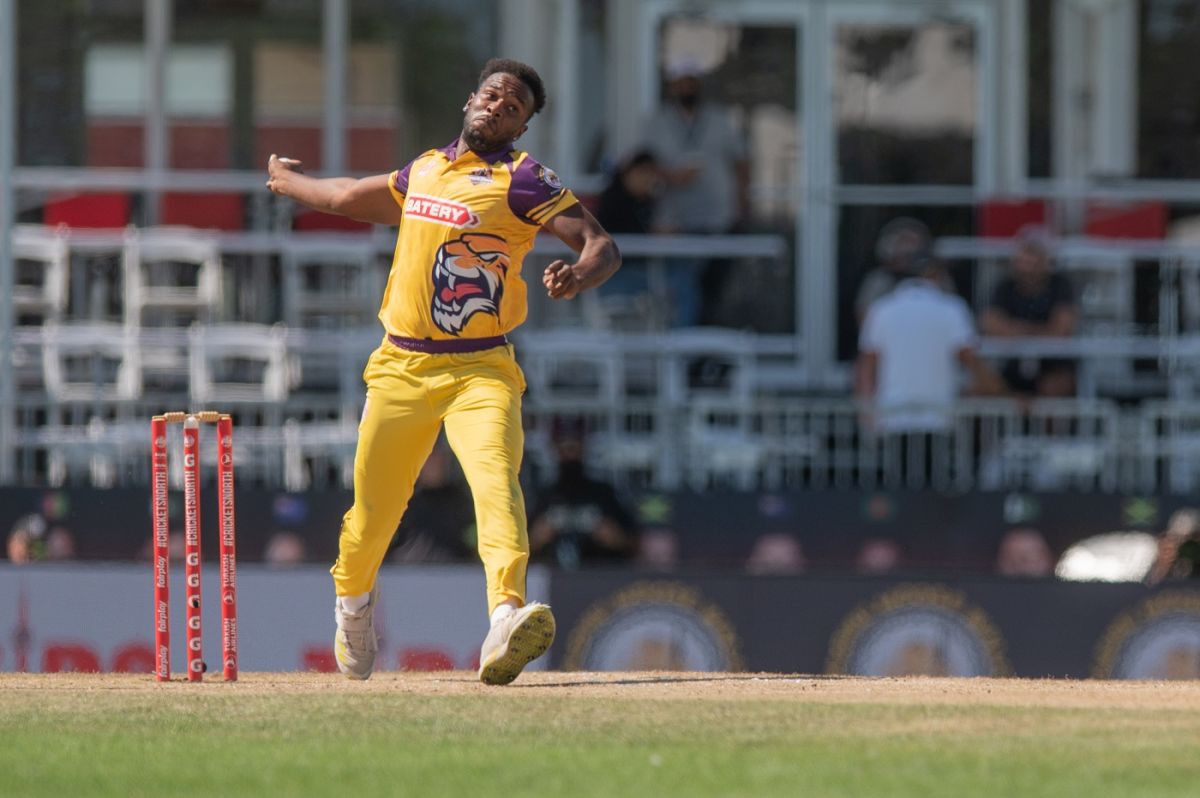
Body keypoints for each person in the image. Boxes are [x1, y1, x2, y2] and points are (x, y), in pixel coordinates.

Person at [266, 58, 621, 685]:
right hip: (401, 366)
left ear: (522, 126)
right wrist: (289, 184)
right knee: (371, 515)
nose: (499, 108)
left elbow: (602, 246)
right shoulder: (425, 169)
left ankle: (505, 618)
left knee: (495, 484)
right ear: (470, 99)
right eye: (493, 96)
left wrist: (577, 275)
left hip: (481, 368)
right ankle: (353, 605)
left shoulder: (524, 179)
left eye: (514, 107)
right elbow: (350, 197)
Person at [641, 57, 749, 327]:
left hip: (717, 217)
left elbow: (740, 162)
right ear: (671, 86)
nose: (686, 88)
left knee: (714, 290)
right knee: (680, 289)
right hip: (675, 221)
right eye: (681, 82)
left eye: (691, 82)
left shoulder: (719, 120)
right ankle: (681, 357)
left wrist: (741, 205)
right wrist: (671, 176)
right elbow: (641, 167)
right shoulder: (657, 123)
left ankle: (707, 360)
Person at [979, 226, 1078, 397]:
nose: (1029, 263)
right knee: (982, 389)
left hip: (1052, 365)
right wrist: (1038, 331)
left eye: (1036, 255)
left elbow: (1062, 329)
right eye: (1025, 254)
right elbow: (990, 324)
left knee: (1055, 389)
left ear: (1047, 259)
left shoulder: (1061, 285)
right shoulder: (1005, 285)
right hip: (1010, 364)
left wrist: (1017, 331)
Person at [528, 418, 638, 568]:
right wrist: (538, 537)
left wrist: (613, 537)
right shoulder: (542, 495)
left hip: (598, 576)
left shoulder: (603, 492)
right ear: (554, 448)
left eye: (575, 446)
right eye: (564, 446)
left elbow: (633, 543)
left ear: (585, 446)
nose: (570, 453)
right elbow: (517, 547)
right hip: (550, 577)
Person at [389, 439, 476, 563]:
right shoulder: (402, 499)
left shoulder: (461, 500)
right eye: (428, 457)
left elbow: (472, 539)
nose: (434, 463)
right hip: (406, 572)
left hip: (456, 573)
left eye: (438, 457)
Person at [854, 217, 934, 325]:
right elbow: (865, 319)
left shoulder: (933, 277)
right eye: (904, 241)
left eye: (913, 242)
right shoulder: (878, 280)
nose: (909, 249)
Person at [1146, 508, 1200, 584]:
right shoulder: (1165, 560)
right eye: (1177, 540)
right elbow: (1149, 588)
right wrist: (1162, 566)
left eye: (1190, 541)